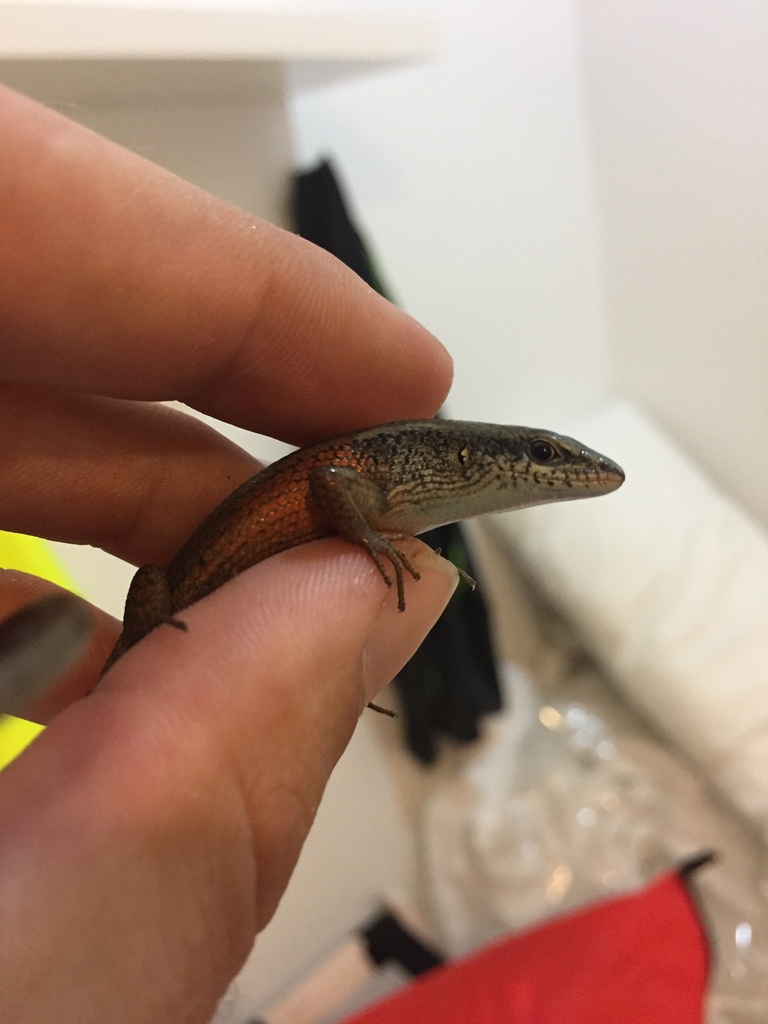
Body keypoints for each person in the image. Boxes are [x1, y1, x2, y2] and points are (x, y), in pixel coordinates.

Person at [0, 85, 456, 1023]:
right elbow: (331, 492)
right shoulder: (358, 472)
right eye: (549, 456)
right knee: (150, 631)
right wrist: (368, 539)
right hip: (174, 596)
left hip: (178, 600)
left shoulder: (385, 464)